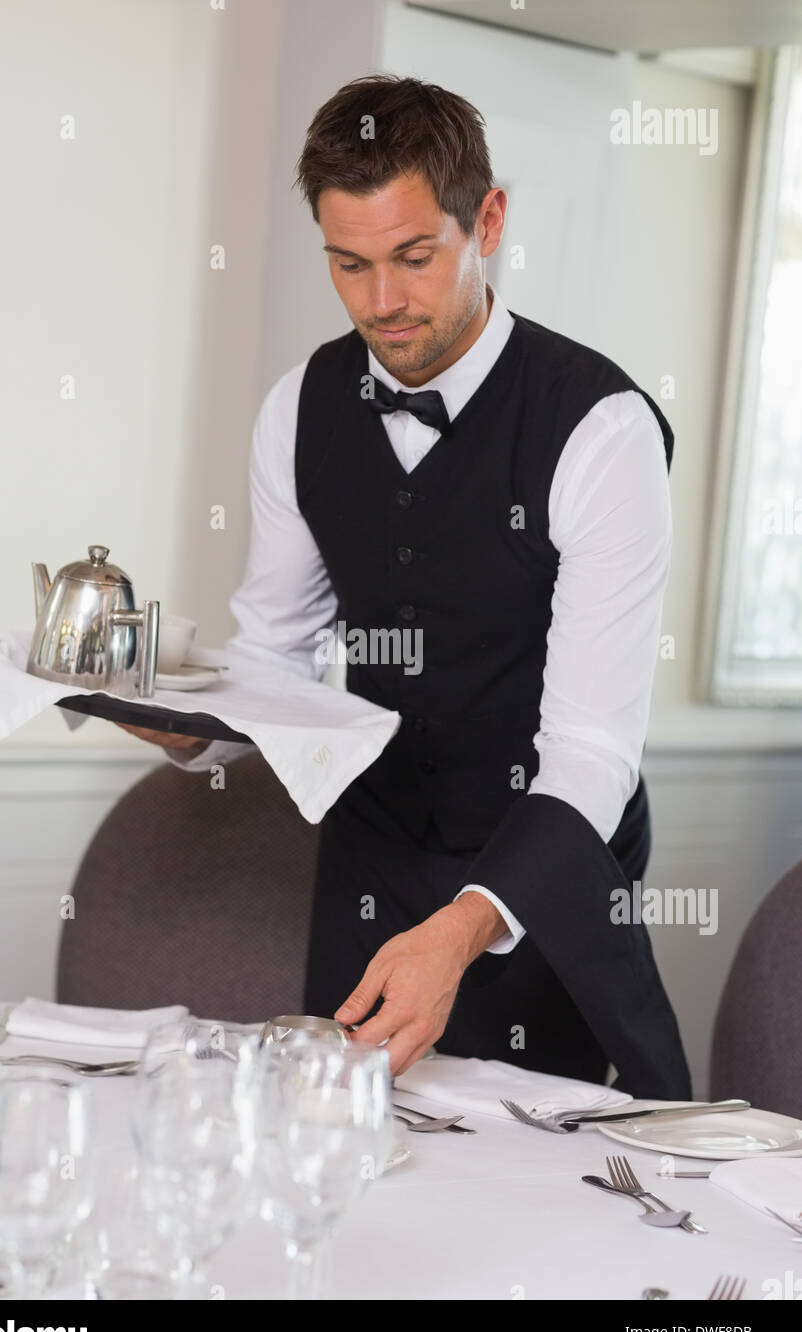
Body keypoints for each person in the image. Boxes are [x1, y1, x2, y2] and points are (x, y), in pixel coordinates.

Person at [121, 75, 691, 1098]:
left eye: (412, 258)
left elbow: (591, 754)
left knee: (530, 1167)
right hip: (372, 855)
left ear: (488, 221)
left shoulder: (600, 430)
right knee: (352, 1152)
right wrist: (184, 724)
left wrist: (467, 926)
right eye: (348, 264)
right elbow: (270, 658)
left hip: (536, 860)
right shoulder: (299, 405)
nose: (380, 301)